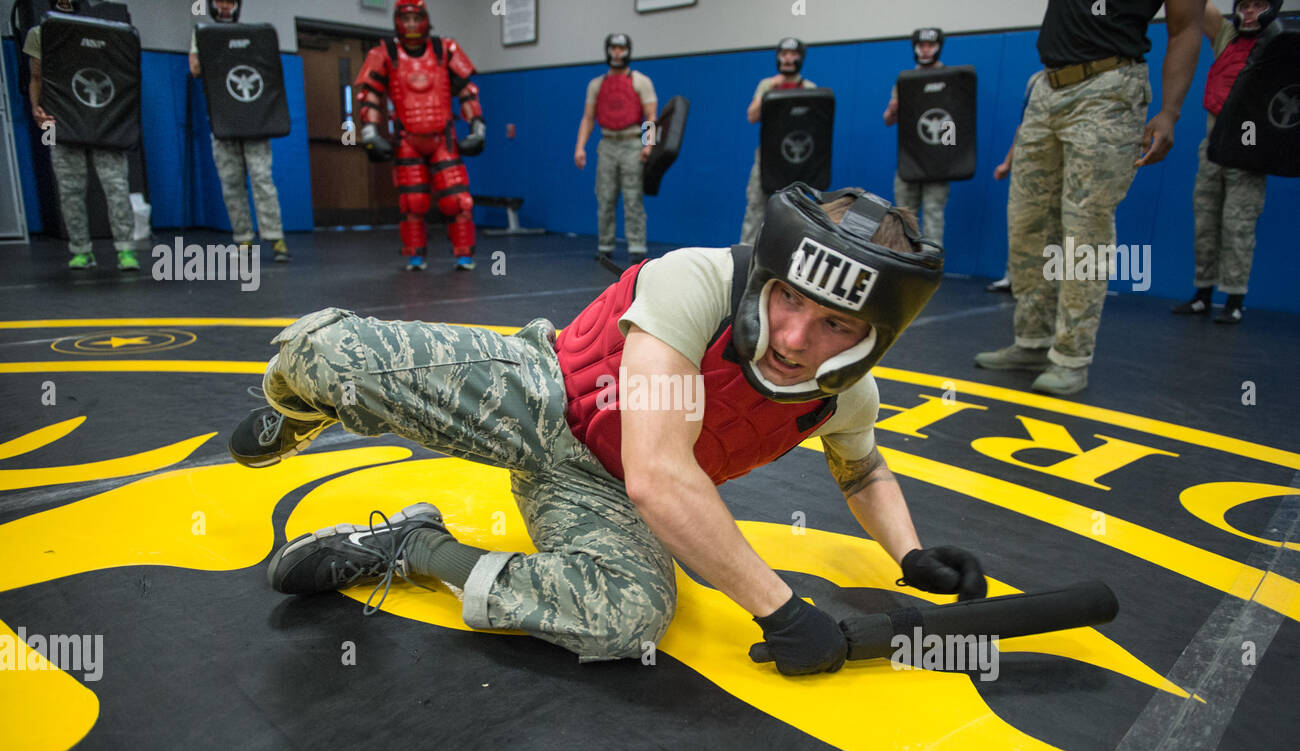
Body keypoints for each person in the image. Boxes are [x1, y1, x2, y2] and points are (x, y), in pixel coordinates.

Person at [226, 184, 988, 676]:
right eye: (786, 298)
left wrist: (910, 553)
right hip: (545, 396)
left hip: (605, 488)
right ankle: (305, 406)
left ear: (872, 338)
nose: (791, 338)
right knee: (325, 354)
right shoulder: (696, 281)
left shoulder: (848, 394)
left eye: (833, 323)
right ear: (768, 275)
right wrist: (782, 610)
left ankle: (407, 545)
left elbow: (863, 471)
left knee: (628, 618)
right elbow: (660, 473)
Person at [975, 0, 1202, 396]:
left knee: (1084, 229)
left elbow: (1187, 26)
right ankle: (1032, 342)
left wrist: (1170, 111)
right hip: (1047, 85)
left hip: (1109, 87)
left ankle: (1070, 357)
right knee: (1027, 224)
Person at [353, 0, 485, 271]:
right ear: (397, 22)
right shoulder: (384, 53)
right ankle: (415, 257)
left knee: (458, 201)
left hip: (443, 138)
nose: (411, 25)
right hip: (407, 140)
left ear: (425, 19)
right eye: (406, 19)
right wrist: (369, 131)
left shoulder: (445, 49)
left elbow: (466, 91)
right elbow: (370, 96)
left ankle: (464, 256)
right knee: (413, 203)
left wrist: (478, 127)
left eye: (416, 18)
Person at [1171, 0, 1278, 324]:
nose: (1249, 13)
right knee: (1205, 221)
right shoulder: (1227, 36)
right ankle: (1202, 295)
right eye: (1244, 5)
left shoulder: (1279, 44)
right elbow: (1198, 7)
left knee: (1239, 226)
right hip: (1214, 146)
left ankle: (1234, 300)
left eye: (1259, 6)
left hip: (1249, 152)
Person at [24, 0, 139, 271]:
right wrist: (35, 111)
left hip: (104, 119)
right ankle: (80, 251)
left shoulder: (102, 29)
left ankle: (126, 251)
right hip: (54, 122)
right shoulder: (39, 32)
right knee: (67, 187)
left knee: (116, 186)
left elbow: (120, 75)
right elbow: (36, 77)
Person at [189, 0, 290, 263]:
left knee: (262, 180)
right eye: (220, 1)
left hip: (255, 123)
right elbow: (195, 69)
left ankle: (276, 237)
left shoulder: (253, 35)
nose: (225, 6)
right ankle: (243, 238)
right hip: (224, 124)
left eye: (230, 1)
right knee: (231, 183)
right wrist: (217, 54)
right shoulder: (203, 35)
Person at [574, 34, 657, 262]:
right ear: (608, 51)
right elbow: (588, 118)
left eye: (621, 48)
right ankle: (605, 245)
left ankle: (637, 247)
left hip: (631, 142)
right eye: (613, 48)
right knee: (605, 196)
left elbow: (651, 115)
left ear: (628, 50)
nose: (617, 53)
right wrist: (580, 147)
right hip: (607, 143)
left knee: (633, 197)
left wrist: (648, 144)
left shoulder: (641, 81)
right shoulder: (597, 85)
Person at [739, 38, 818, 246]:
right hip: (768, 156)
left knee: (795, 210)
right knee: (756, 206)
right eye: (783, 54)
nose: (787, 59)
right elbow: (752, 117)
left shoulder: (809, 88)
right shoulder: (766, 84)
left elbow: (816, 127)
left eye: (792, 54)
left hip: (796, 157)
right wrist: (769, 92)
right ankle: (745, 256)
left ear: (800, 58)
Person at [883, 28, 949, 247]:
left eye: (930, 45)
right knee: (903, 217)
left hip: (938, 161)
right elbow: (888, 119)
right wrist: (893, 110)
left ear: (938, 47)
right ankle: (903, 266)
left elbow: (959, 121)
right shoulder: (906, 80)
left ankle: (930, 269)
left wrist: (949, 153)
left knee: (933, 217)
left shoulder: (950, 79)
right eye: (921, 45)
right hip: (910, 159)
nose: (926, 50)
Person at [987, 71, 1047, 294]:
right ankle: (1013, 277)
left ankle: (1050, 281)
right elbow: (1023, 127)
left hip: (1061, 161)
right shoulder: (1035, 80)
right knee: (1021, 221)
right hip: (1030, 162)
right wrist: (1007, 162)